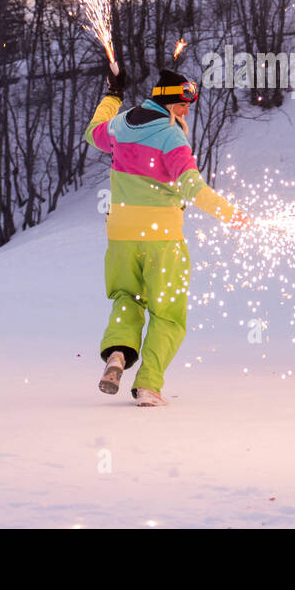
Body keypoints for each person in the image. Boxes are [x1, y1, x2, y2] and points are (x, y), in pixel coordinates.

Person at [85, 66, 248, 407]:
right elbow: (192, 186)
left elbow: (92, 133)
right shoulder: (171, 137)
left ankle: (118, 352)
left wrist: (112, 96)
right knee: (168, 313)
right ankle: (148, 386)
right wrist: (229, 214)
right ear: (169, 102)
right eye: (183, 103)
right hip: (162, 236)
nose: (187, 110)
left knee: (126, 298)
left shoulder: (120, 123)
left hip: (120, 234)